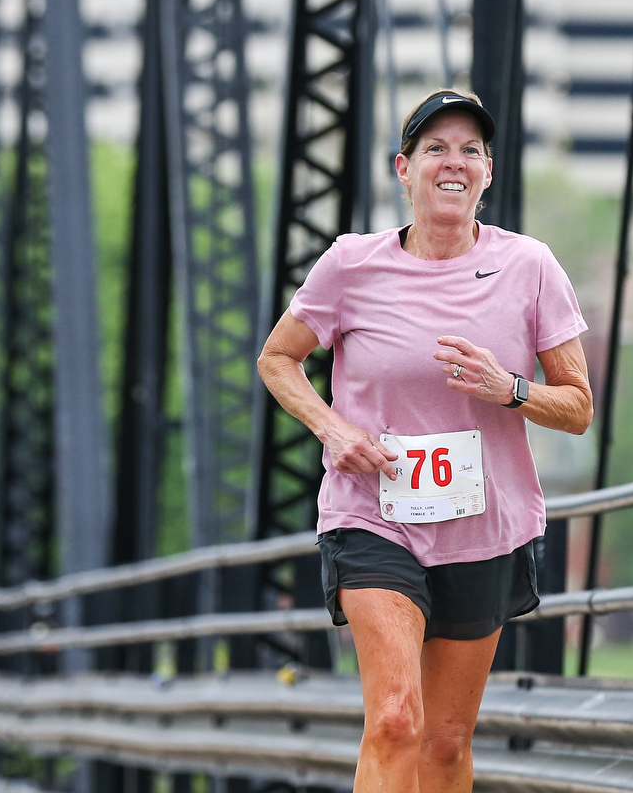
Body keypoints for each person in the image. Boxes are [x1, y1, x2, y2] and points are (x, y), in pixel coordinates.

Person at [257, 88, 592, 793]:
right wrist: (332, 426)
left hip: (485, 528)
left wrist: (513, 388)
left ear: (488, 173)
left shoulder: (530, 267)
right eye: (436, 148)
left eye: (470, 150)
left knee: (444, 743)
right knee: (396, 721)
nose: (454, 162)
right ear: (402, 169)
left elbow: (578, 407)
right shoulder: (351, 265)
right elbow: (277, 359)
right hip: (373, 516)